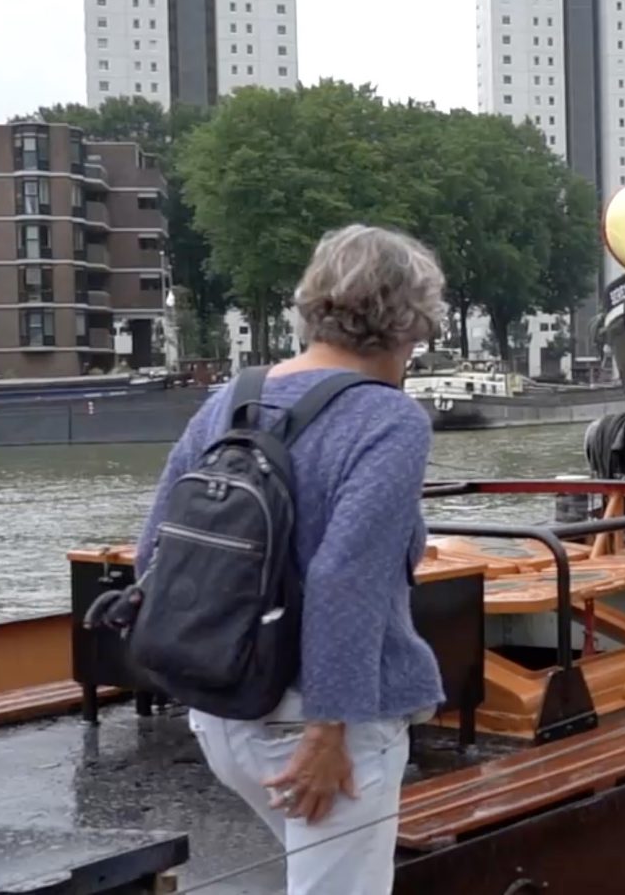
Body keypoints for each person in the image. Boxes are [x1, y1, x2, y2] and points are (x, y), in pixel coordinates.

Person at [137, 225, 447, 893]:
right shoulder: (388, 419)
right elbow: (346, 577)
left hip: (221, 710)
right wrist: (328, 730)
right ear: (411, 321)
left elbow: (153, 551)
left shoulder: (233, 398)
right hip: (316, 724)